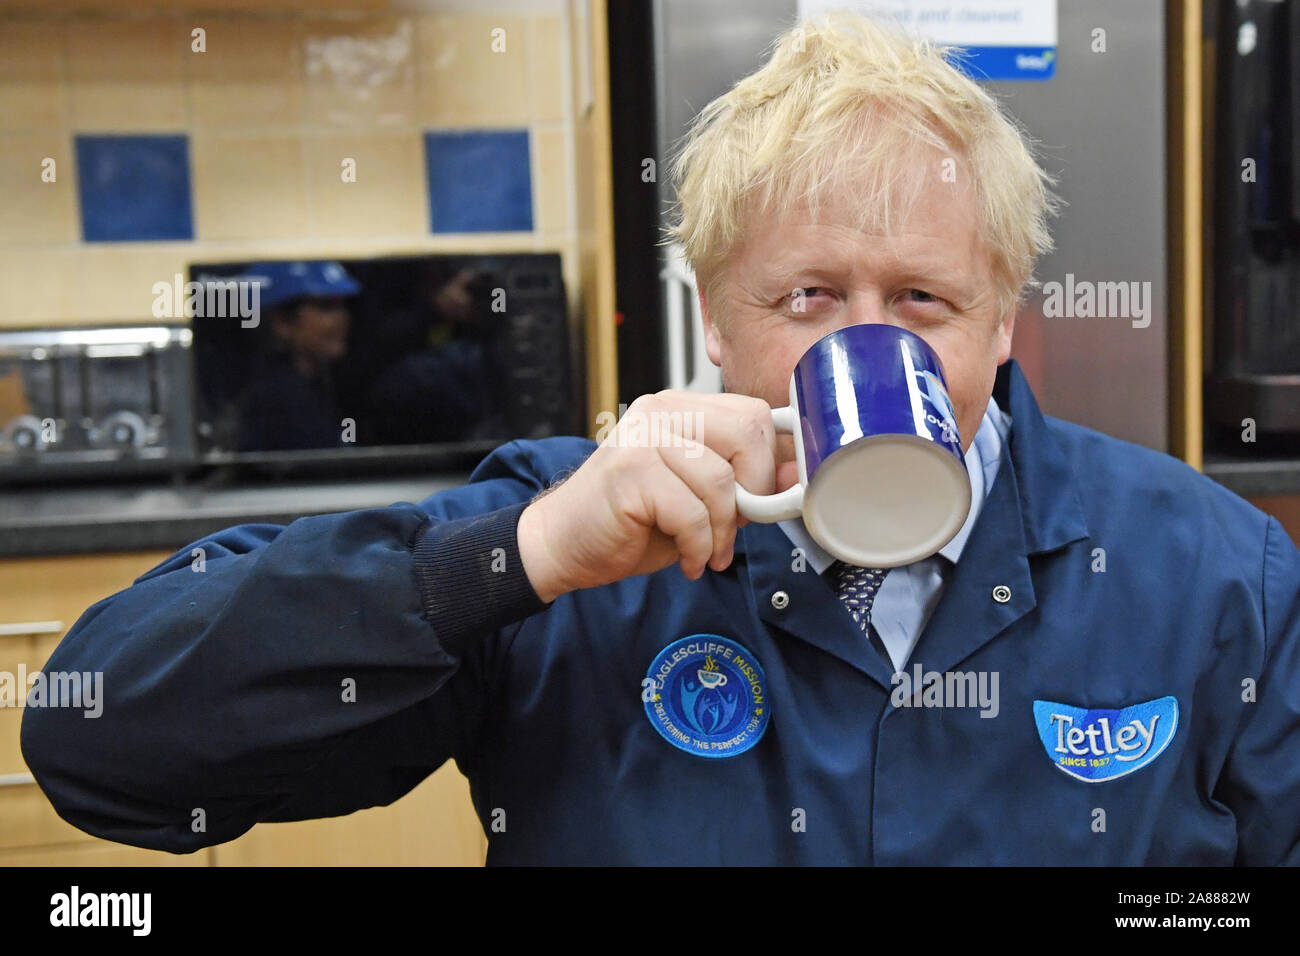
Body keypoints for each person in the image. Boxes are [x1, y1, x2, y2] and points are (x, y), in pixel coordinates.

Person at [21, 12, 1300, 865]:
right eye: (805, 297)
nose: (871, 347)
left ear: (1003, 324)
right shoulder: (564, 537)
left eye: (923, 300)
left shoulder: (1210, 573)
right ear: (712, 326)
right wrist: (519, 560)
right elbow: (101, 744)